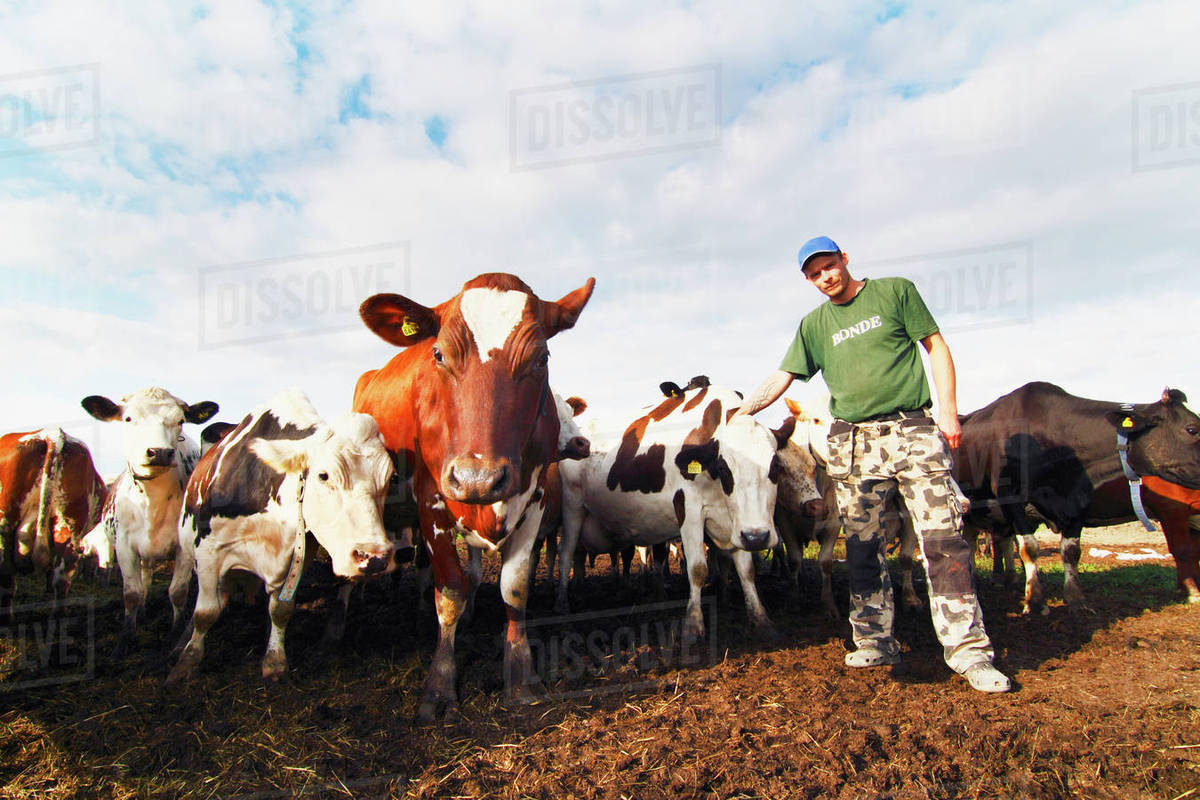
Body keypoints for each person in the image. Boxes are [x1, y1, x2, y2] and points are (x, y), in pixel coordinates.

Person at [732, 235, 1010, 693]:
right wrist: (744, 412)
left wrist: (948, 409)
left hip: (913, 431)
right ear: (808, 279)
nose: (825, 277)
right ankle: (875, 640)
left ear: (845, 259)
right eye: (814, 273)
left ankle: (970, 653)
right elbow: (783, 377)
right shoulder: (814, 326)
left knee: (942, 539)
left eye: (829, 266)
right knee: (861, 546)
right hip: (855, 442)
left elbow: (935, 347)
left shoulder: (895, 291)